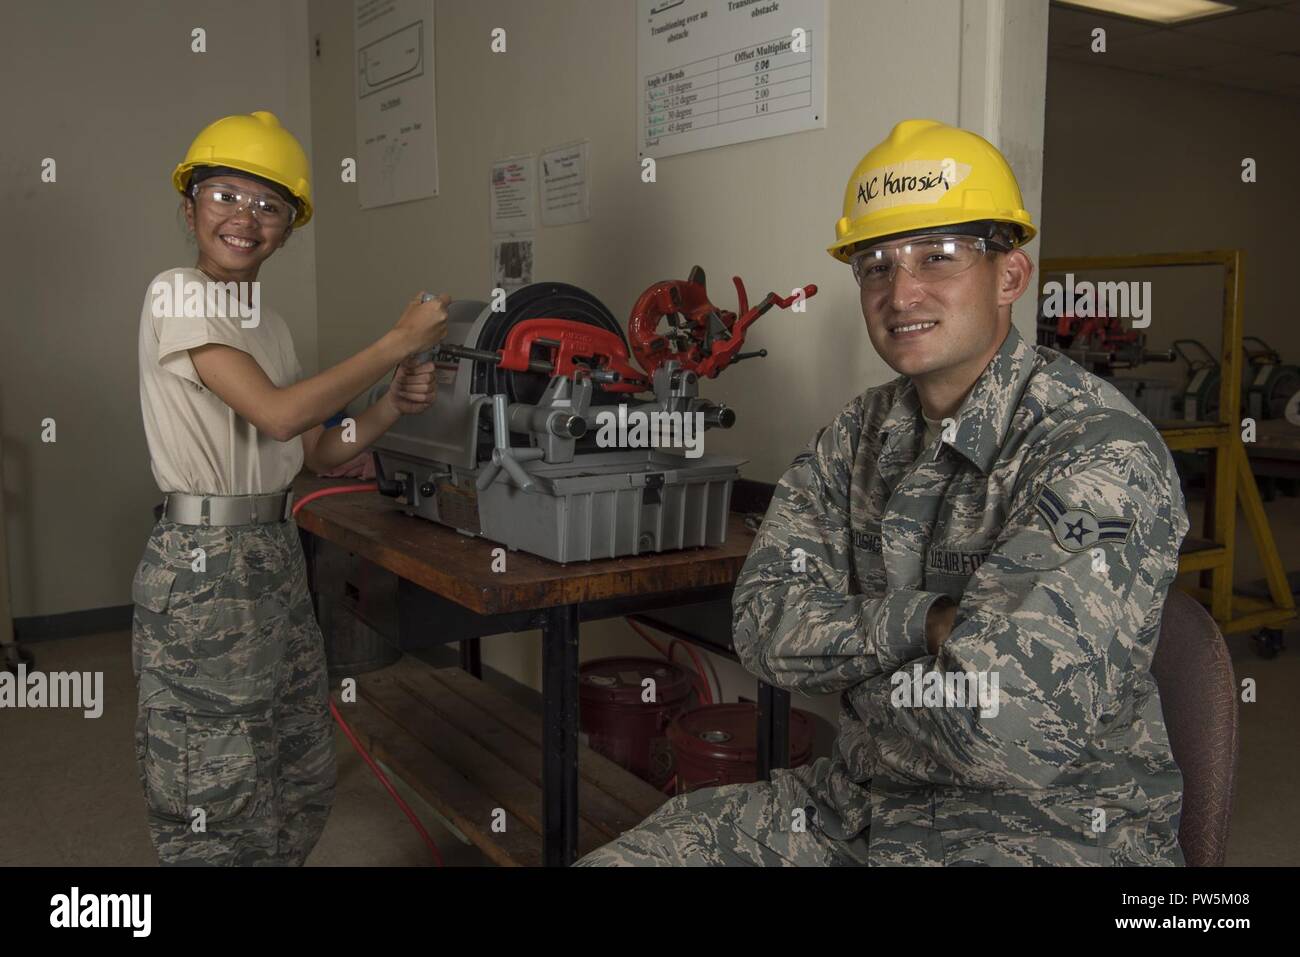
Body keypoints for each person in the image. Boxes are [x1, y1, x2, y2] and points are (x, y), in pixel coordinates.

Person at [577, 119, 1190, 867]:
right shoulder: (858, 435)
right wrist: (928, 622)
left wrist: (849, 661)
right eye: (875, 265)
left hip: (1042, 836)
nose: (902, 292)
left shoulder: (1096, 451)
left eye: (939, 256)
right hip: (857, 807)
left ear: (1009, 276)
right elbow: (763, 628)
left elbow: (1006, 732)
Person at [131, 111, 450, 865]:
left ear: (289, 228)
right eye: (225, 195)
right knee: (213, 786)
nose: (246, 218)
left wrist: (390, 404)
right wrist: (392, 343)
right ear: (191, 207)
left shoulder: (268, 326)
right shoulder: (175, 295)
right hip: (203, 562)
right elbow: (277, 414)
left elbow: (316, 447)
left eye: (270, 205)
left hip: (273, 552)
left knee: (297, 767)